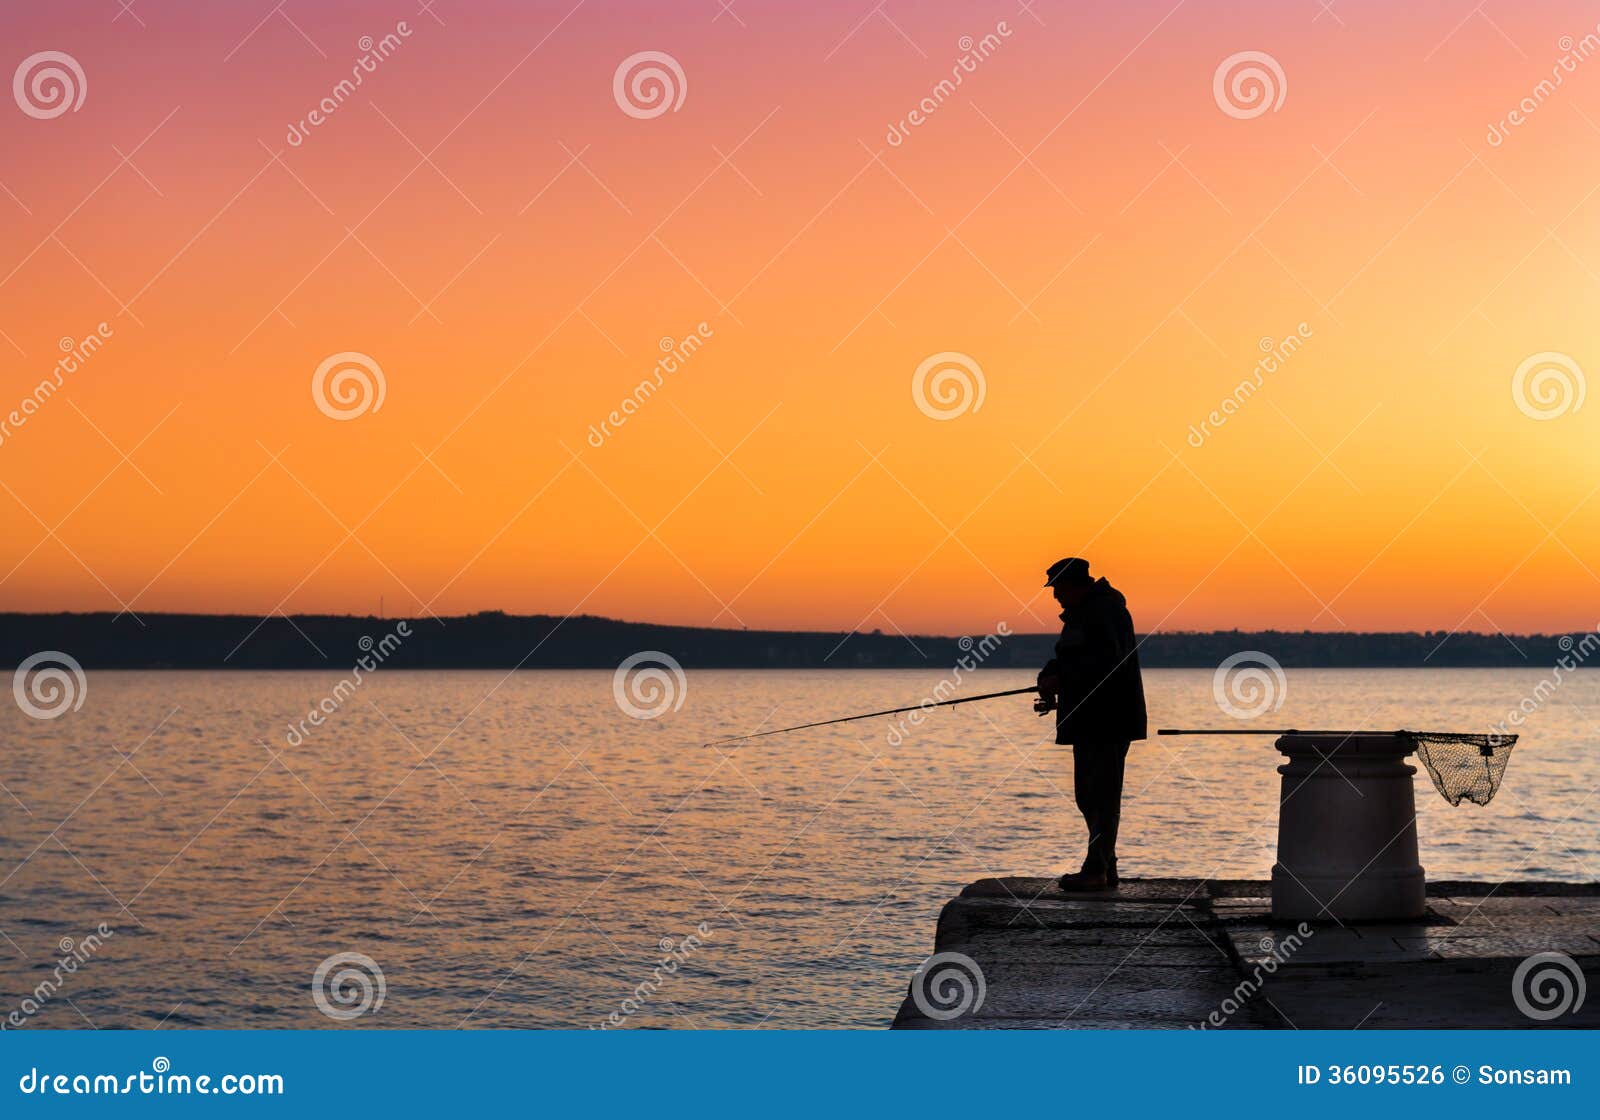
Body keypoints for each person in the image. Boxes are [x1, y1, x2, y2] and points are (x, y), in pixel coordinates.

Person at [1034, 557, 1147, 891]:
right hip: (1086, 720)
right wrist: (1049, 678)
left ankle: (1096, 869)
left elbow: (1105, 663)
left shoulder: (1106, 613)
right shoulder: (1083, 615)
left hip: (1108, 719)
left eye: (1058, 589)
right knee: (1087, 796)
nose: (1055, 596)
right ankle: (1105, 866)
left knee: (1103, 796)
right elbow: (1067, 658)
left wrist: (1062, 679)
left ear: (1075, 585)